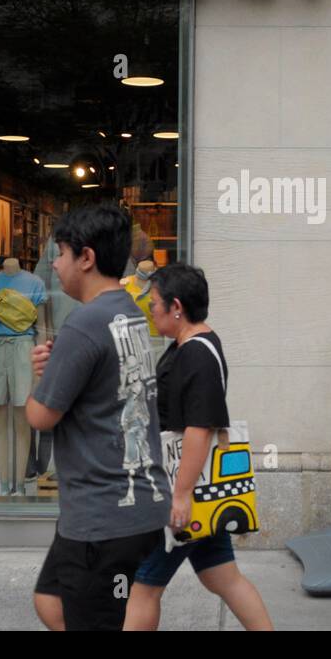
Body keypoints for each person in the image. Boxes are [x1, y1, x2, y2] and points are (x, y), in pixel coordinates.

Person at [26, 203, 171, 631]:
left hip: (103, 516)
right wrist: (54, 372)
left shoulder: (83, 324)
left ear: (86, 258)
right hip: (125, 504)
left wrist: (44, 384)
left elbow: (41, 417)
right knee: (49, 599)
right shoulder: (126, 310)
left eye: (61, 252)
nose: (54, 263)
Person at [122, 262, 273, 631]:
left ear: (177, 306)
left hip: (185, 489)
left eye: (154, 304)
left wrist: (181, 495)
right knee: (222, 577)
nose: (151, 311)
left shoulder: (197, 353)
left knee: (143, 586)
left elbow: (200, 428)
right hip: (199, 488)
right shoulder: (190, 345)